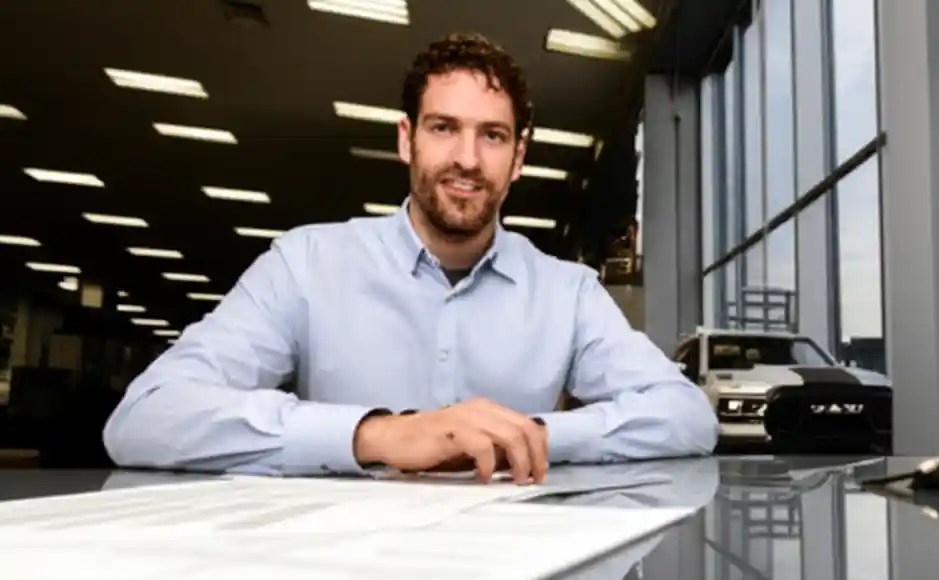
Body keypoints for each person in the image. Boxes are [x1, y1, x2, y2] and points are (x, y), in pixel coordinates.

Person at [102, 32, 718, 483]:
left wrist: (526, 437)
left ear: (520, 156)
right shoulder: (307, 264)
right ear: (407, 138)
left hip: (511, 573)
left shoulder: (569, 292)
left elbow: (686, 417)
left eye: (492, 135)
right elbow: (146, 418)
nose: (468, 160)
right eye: (444, 127)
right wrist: (381, 435)